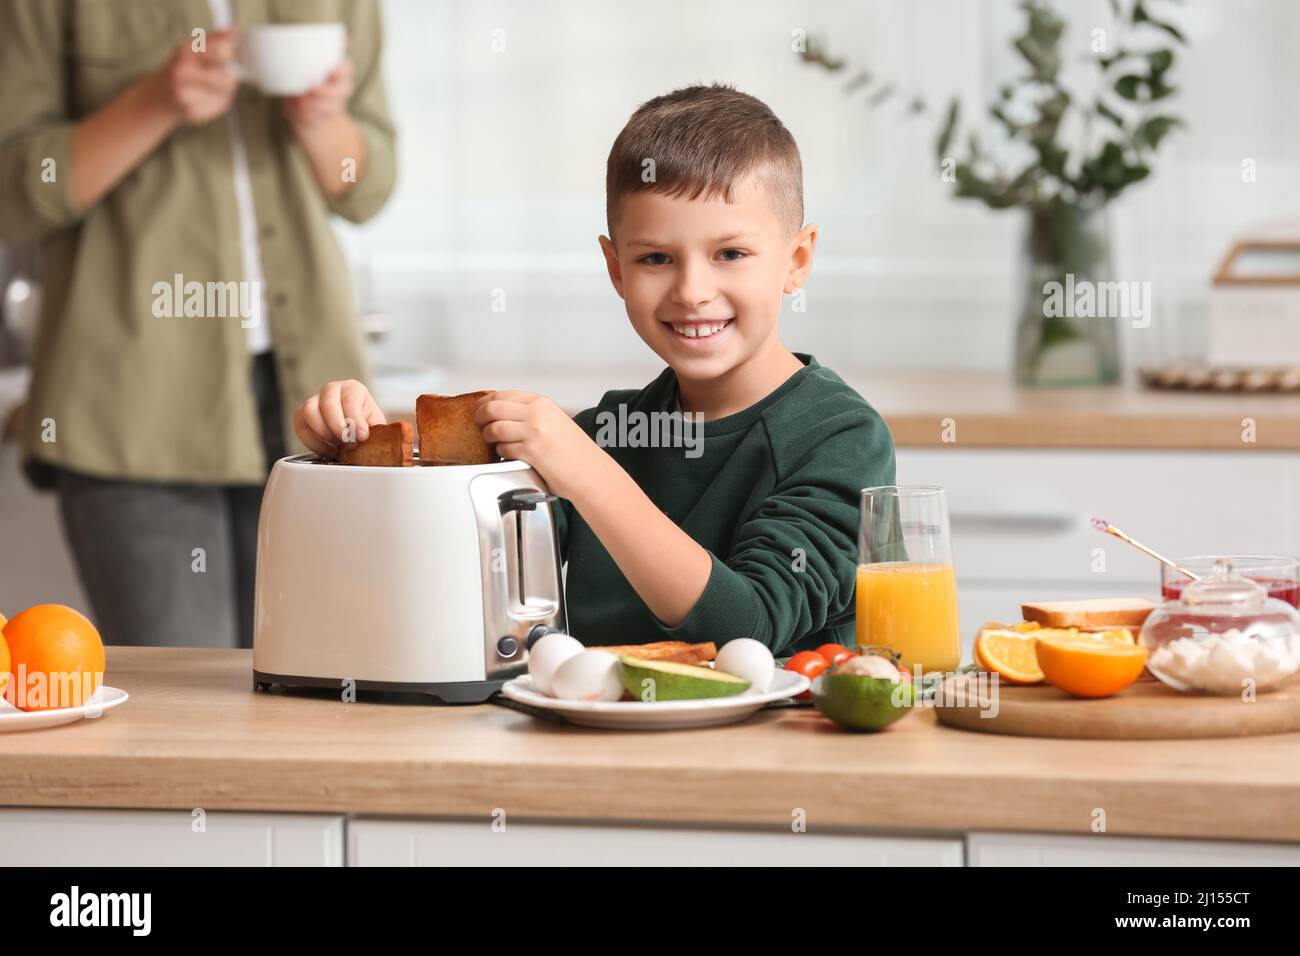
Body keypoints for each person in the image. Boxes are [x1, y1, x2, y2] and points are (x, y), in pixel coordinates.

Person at [295, 84, 893, 656]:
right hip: (589, 748)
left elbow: (749, 625)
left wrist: (586, 471)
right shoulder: (608, 429)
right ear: (615, 269)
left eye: (730, 254)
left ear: (797, 260)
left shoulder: (841, 438)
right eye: (655, 258)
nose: (692, 291)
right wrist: (356, 453)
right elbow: (453, 565)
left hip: (763, 754)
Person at [0, 0, 396, 648]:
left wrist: (323, 122)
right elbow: (13, 198)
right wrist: (154, 103)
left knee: (317, 681)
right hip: (131, 400)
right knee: (186, 708)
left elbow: (367, 187)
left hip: (313, 393)